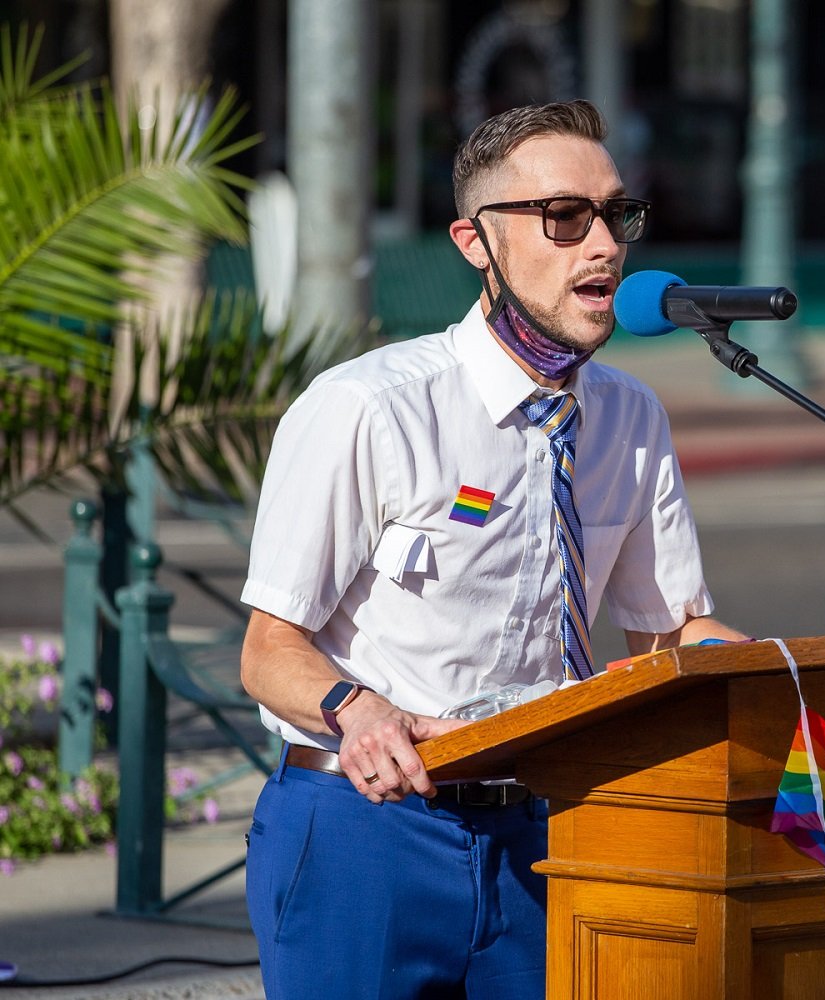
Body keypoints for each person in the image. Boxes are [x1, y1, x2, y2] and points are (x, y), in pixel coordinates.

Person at [239, 99, 746, 1000]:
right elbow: (268, 651)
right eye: (564, 217)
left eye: (616, 214)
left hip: (547, 828)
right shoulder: (371, 408)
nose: (603, 245)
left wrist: (765, 674)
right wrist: (359, 711)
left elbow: (668, 635)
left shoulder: (631, 418)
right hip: (368, 830)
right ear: (476, 242)